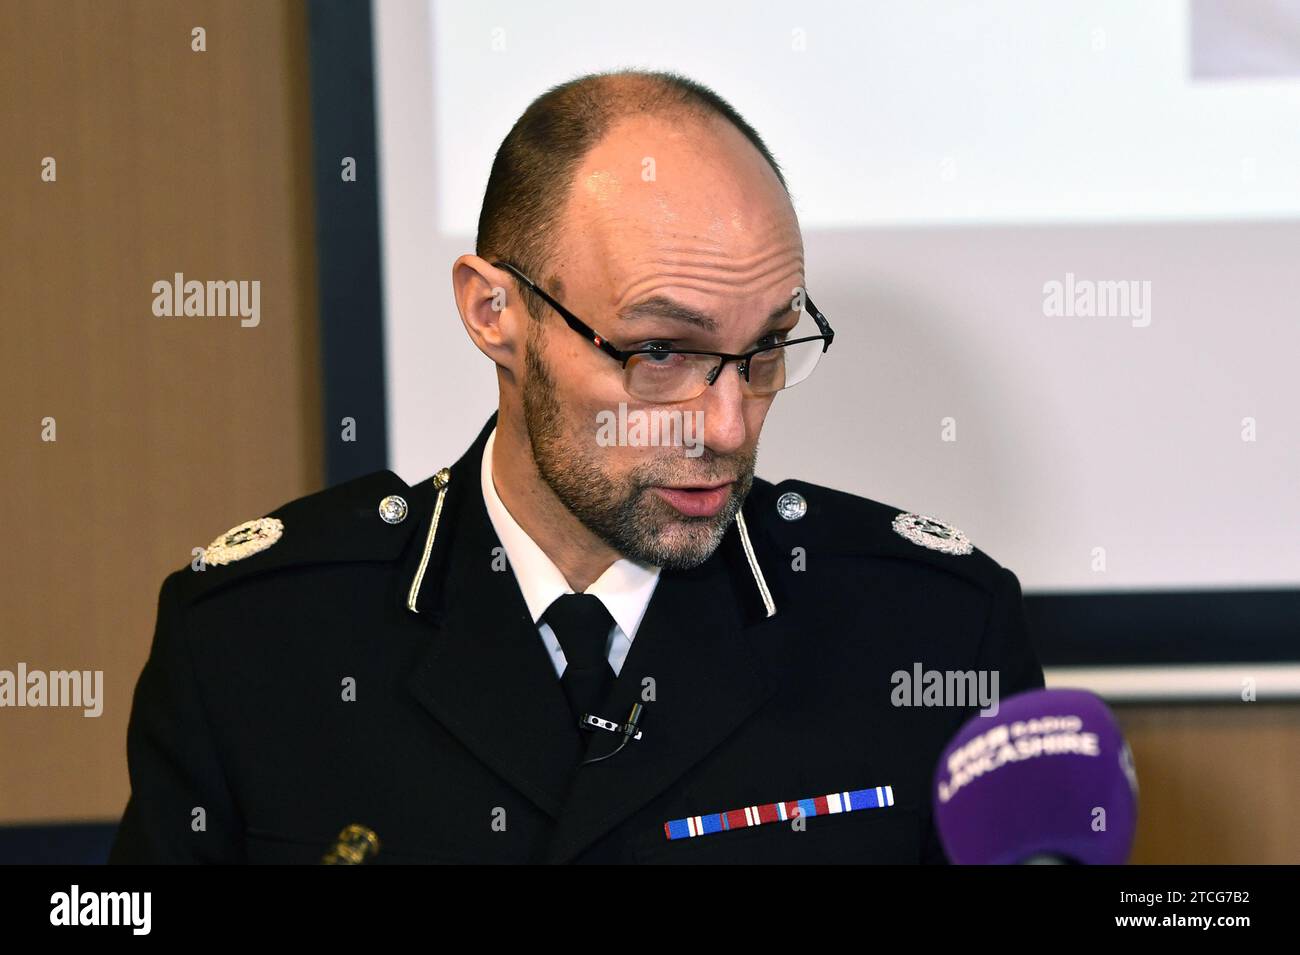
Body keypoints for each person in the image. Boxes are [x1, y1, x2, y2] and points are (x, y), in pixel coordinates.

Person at [110, 69, 1043, 864]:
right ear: (493, 313)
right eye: (660, 353)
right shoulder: (255, 643)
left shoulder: (932, 634)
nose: (725, 425)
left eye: (765, 351)